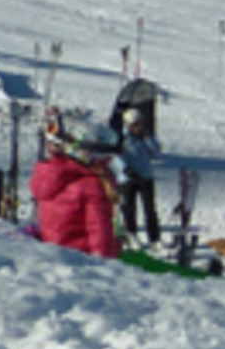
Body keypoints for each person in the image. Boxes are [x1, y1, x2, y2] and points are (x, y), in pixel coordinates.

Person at [31, 118, 120, 258]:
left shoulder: (54, 173)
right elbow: (100, 231)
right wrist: (107, 263)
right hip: (82, 258)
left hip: (53, 253)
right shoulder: (93, 185)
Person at [116, 109, 162, 247]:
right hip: (128, 179)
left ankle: (154, 238)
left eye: (141, 124)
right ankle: (132, 235)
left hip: (145, 177)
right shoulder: (122, 139)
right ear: (129, 125)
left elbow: (156, 153)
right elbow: (115, 156)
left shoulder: (145, 137)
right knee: (129, 208)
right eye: (136, 125)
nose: (140, 127)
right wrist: (125, 169)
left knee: (150, 209)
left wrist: (148, 138)